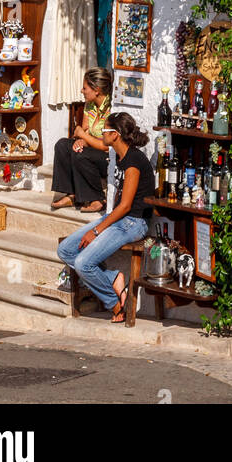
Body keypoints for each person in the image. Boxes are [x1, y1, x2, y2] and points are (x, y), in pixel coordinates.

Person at [56, 113, 155, 322]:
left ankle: (115, 302)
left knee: (83, 263)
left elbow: (127, 205)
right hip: (118, 218)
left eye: (105, 130)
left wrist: (96, 231)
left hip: (134, 222)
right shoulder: (120, 157)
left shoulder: (134, 161)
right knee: (65, 250)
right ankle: (113, 279)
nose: (101, 134)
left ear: (115, 135)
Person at [50, 68, 112, 213]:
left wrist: (84, 137)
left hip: (107, 157)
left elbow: (105, 145)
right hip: (92, 146)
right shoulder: (89, 104)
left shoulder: (111, 109)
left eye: (85, 88)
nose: (81, 91)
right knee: (62, 145)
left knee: (80, 154)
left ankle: (97, 198)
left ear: (96, 90)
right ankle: (71, 194)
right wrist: (82, 140)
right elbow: (84, 129)